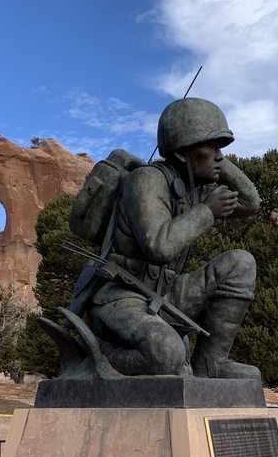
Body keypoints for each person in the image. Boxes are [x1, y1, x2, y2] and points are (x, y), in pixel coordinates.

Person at [75, 97, 262, 380]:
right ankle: (93, 351)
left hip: (164, 295)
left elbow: (250, 201)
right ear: (182, 153)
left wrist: (210, 159)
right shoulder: (146, 180)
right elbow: (158, 246)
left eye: (220, 148)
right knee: (168, 355)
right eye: (212, 147)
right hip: (120, 298)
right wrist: (207, 211)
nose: (220, 156)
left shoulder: (194, 190)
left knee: (241, 263)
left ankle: (211, 362)